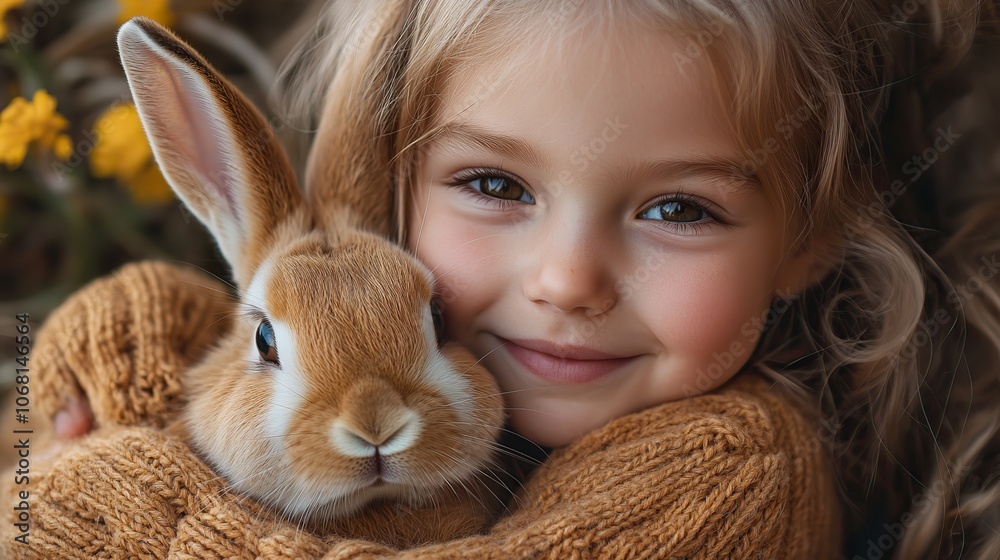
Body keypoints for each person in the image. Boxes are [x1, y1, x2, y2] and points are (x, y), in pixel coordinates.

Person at [43, 0, 1000, 557]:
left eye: (679, 209)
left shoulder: (733, 471)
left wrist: (100, 496)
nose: (568, 279)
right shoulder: (393, 331)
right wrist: (108, 362)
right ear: (392, 184)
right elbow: (135, 358)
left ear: (809, 237)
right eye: (495, 184)